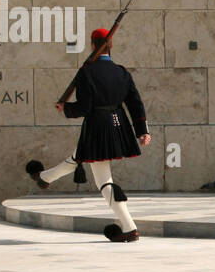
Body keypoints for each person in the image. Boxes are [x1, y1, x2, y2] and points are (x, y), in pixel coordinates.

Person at [25, 28, 149, 242]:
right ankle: (45, 178)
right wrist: (142, 131)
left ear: (92, 45)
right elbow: (135, 103)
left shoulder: (87, 72)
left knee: (103, 179)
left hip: (98, 125)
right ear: (111, 46)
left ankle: (130, 228)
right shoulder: (122, 72)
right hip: (118, 124)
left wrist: (65, 108)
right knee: (79, 156)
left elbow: (84, 108)